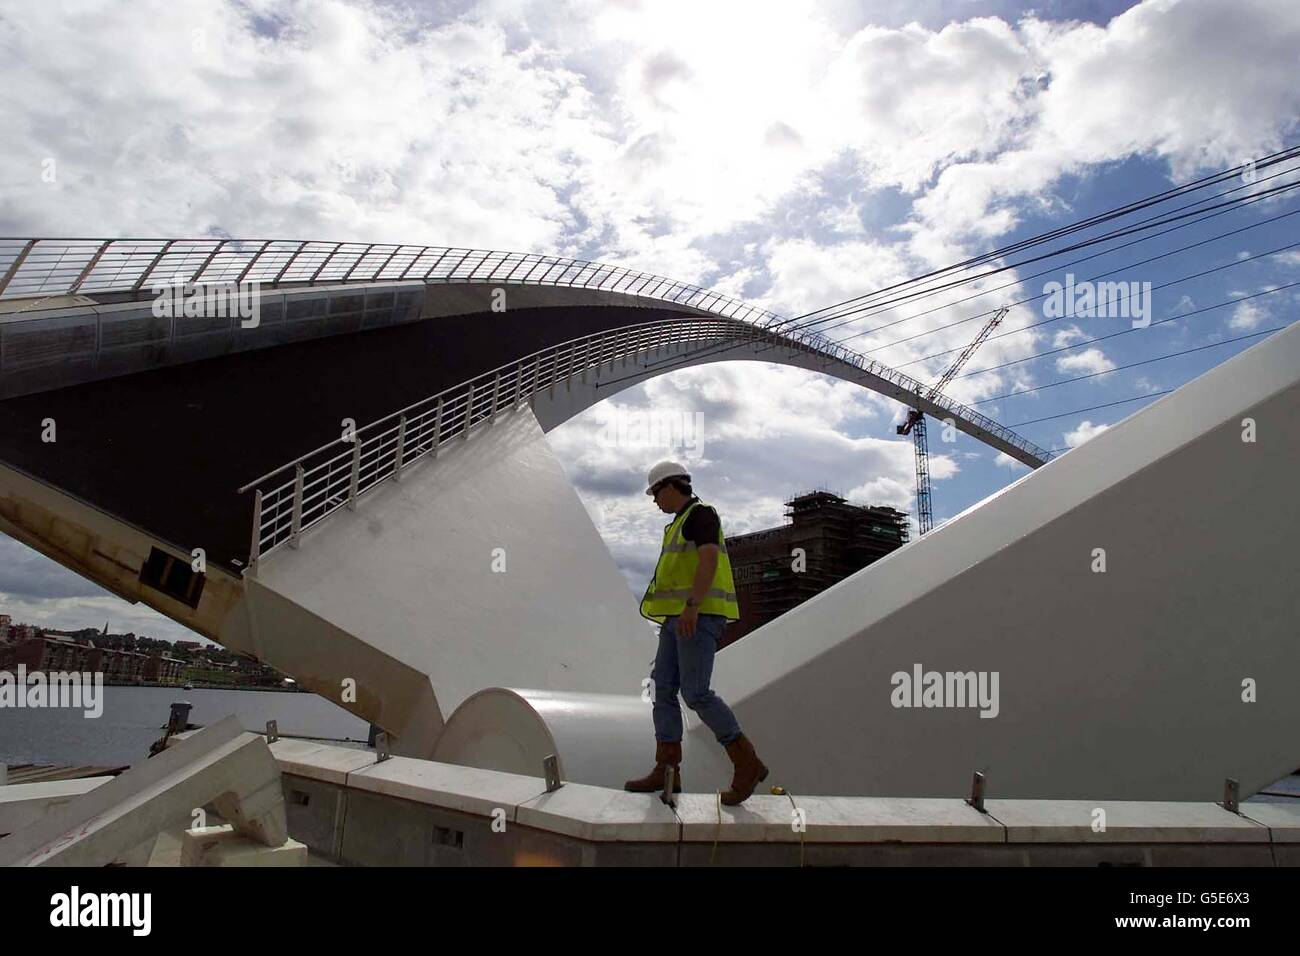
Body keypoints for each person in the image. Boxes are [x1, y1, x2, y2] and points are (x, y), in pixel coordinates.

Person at [624, 460, 768, 805]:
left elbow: (709, 561)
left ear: (671, 487)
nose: (655, 501)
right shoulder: (676, 525)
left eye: (656, 493)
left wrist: (691, 605)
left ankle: (746, 763)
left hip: (697, 615)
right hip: (678, 618)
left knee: (696, 693)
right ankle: (667, 770)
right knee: (662, 687)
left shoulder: (701, 515)